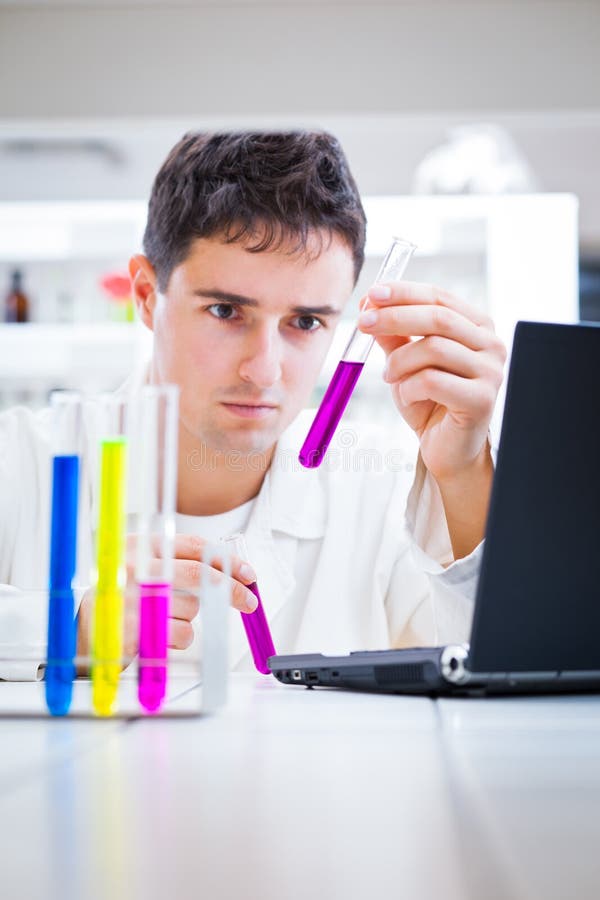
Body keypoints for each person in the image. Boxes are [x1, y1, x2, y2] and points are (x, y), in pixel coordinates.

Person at [0, 131, 505, 680]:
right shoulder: (19, 461)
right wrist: (69, 631)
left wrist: (464, 473)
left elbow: (502, 685)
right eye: (225, 311)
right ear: (147, 296)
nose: (264, 370)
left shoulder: (379, 489)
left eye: (306, 322)